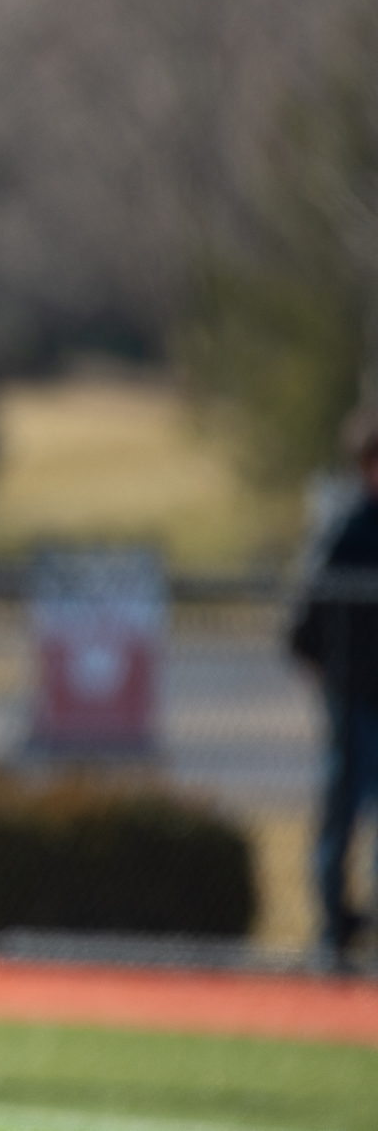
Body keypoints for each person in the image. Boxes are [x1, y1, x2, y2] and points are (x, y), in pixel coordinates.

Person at [291, 409, 378, 973]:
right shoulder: (346, 529)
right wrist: (337, 683)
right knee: (339, 820)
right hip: (356, 705)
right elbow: (302, 628)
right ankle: (333, 934)